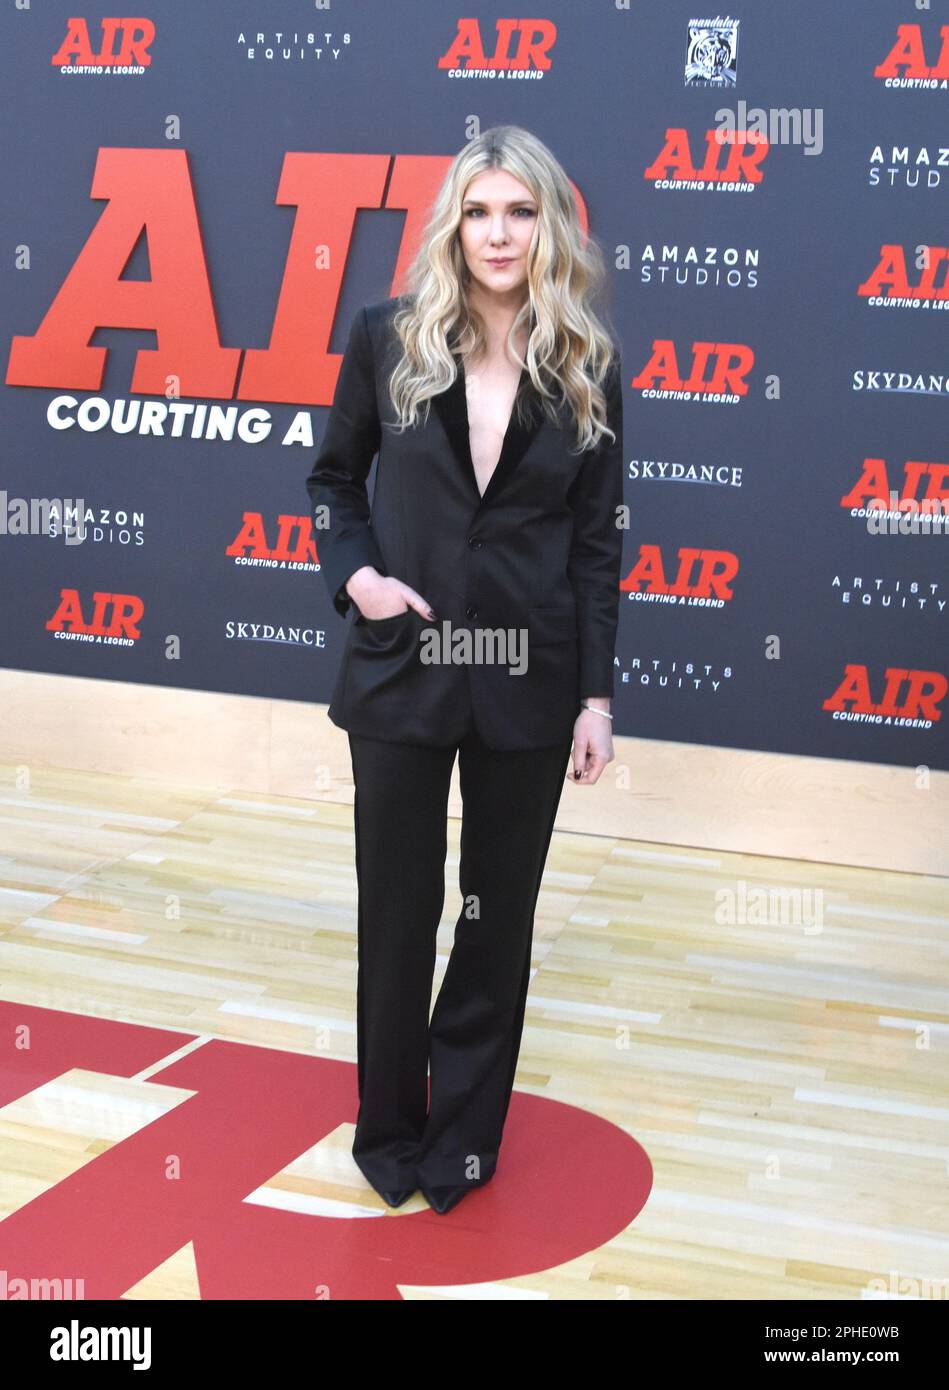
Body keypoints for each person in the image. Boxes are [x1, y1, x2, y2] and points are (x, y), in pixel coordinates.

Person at [305, 124, 624, 1216]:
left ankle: (463, 1143)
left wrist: (594, 696)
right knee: (396, 914)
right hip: (403, 666)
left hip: (527, 683)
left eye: (521, 212)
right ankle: (389, 1133)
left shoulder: (585, 362)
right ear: (455, 221)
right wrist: (359, 585)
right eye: (480, 211)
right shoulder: (386, 337)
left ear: (550, 225)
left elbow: (593, 545)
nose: (499, 233)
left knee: (495, 922)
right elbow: (331, 484)